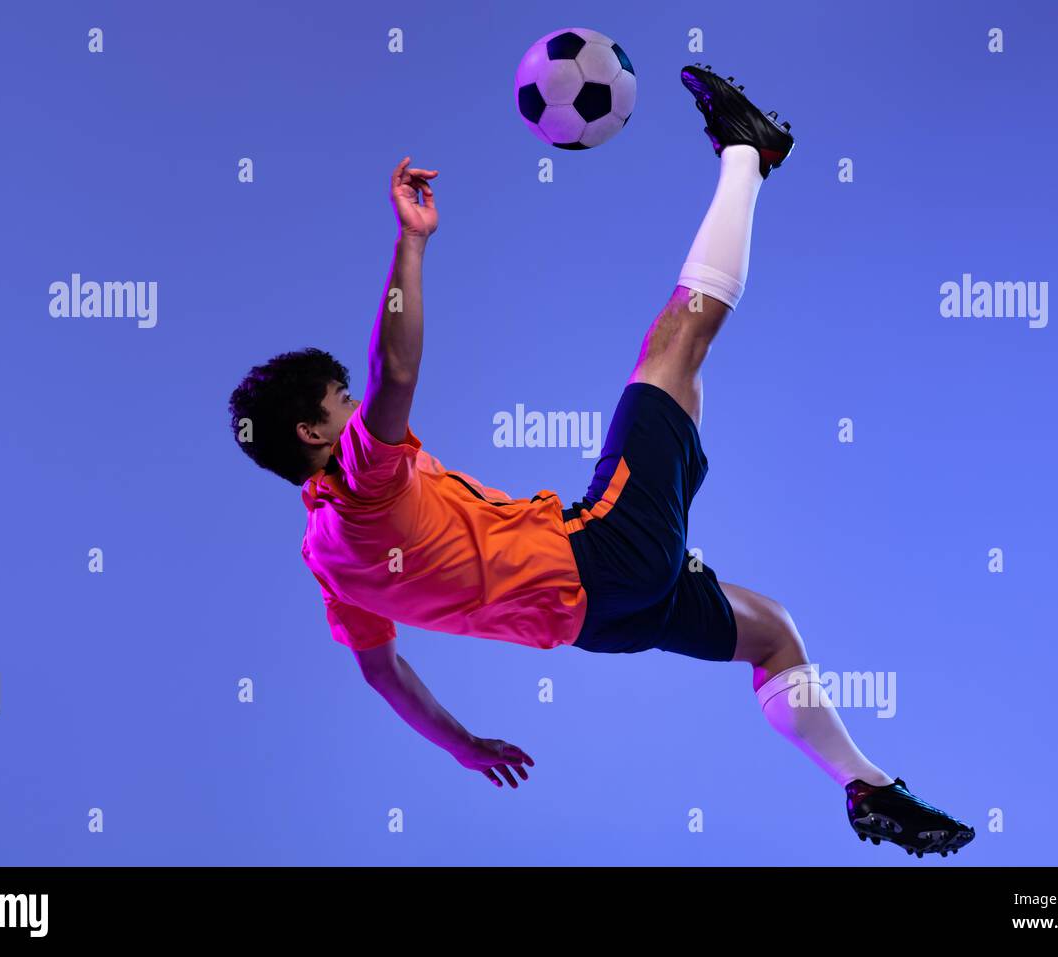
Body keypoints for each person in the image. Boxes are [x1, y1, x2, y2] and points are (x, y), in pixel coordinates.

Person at [229, 65, 975, 858]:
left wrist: (462, 744)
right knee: (674, 345)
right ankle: (747, 153)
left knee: (772, 633)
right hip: (596, 551)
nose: (357, 409)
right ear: (315, 431)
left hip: (598, 622)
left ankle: (866, 787)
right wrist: (411, 241)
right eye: (341, 400)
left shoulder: (331, 567)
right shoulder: (356, 482)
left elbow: (384, 675)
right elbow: (398, 372)